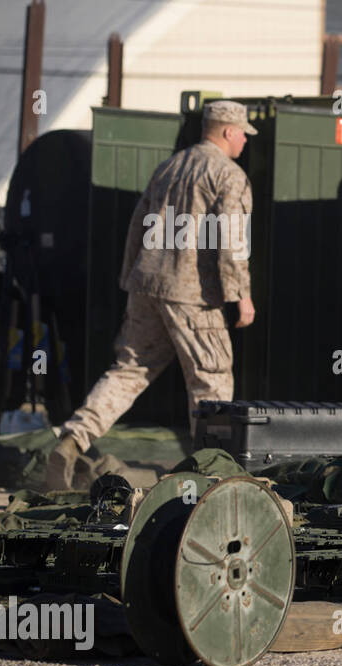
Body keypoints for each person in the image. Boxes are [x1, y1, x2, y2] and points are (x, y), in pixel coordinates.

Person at [46, 100, 256, 491]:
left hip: (148, 283)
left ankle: (71, 441)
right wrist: (240, 293)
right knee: (211, 382)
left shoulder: (169, 167)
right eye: (243, 132)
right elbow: (232, 242)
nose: (245, 140)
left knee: (128, 371)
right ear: (228, 132)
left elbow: (137, 226)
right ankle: (211, 476)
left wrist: (131, 275)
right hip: (193, 293)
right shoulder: (229, 175)